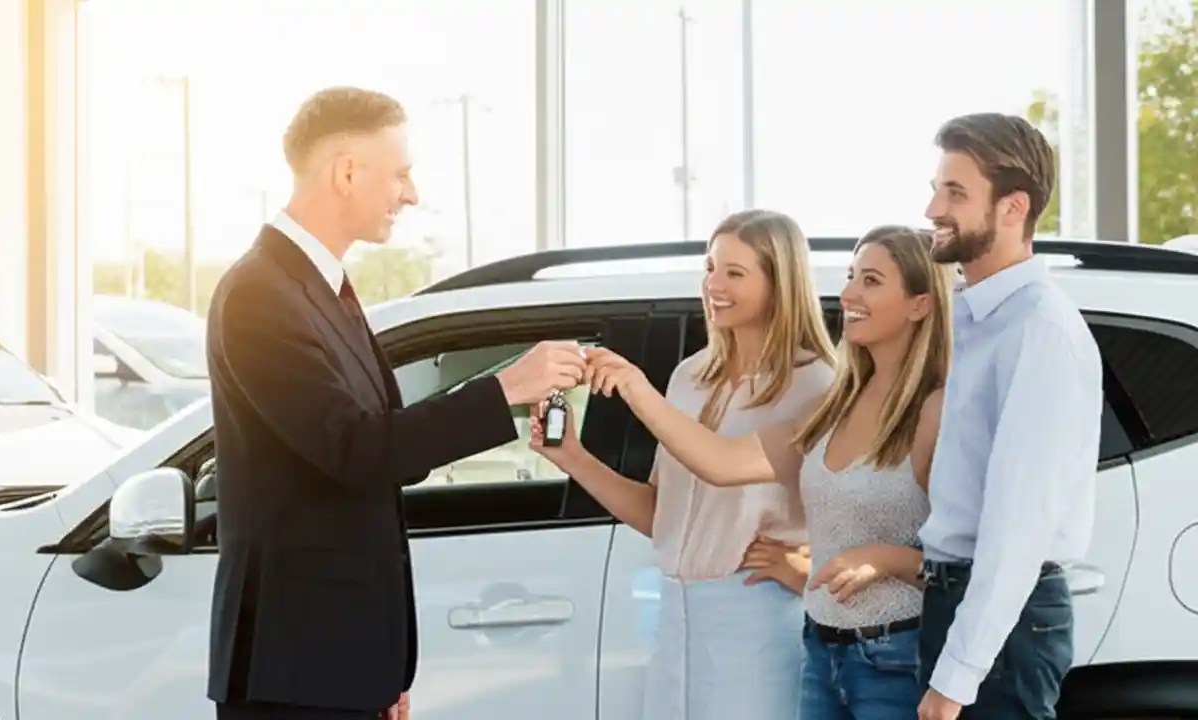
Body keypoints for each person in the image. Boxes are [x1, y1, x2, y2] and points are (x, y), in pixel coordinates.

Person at [204, 86, 587, 720]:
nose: (411, 194)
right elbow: (354, 449)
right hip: (293, 673)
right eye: (401, 174)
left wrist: (374, 670)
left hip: (336, 669)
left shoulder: (322, 287)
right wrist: (506, 388)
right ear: (347, 172)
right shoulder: (260, 294)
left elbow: (391, 452)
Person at [582, 226, 956, 719]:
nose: (848, 295)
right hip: (794, 644)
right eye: (851, 277)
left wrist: (876, 559)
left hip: (856, 645)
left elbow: (965, 557)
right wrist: (569, 452)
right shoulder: (833, 401)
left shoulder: (875, 396)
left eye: (870, 280)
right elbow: (699, 484)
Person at [529, 209, 836, 719]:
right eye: (710, 267)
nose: (713, 284)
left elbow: (722, 464)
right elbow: (660, 515)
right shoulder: (691, 376)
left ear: (780, 283)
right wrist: (574, 458)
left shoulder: (815, 385)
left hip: (757, 622)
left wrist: (633, 386)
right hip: (675, 620)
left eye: (735, 273)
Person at [916, 113, 1103, 720]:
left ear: (1012, 208)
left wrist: (954, 684)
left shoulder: (1038, 330)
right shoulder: (981, 320)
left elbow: (1017, 527)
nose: (932, 208)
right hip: (962, 602)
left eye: (955, 193)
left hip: (1002, 619)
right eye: (937, 187)